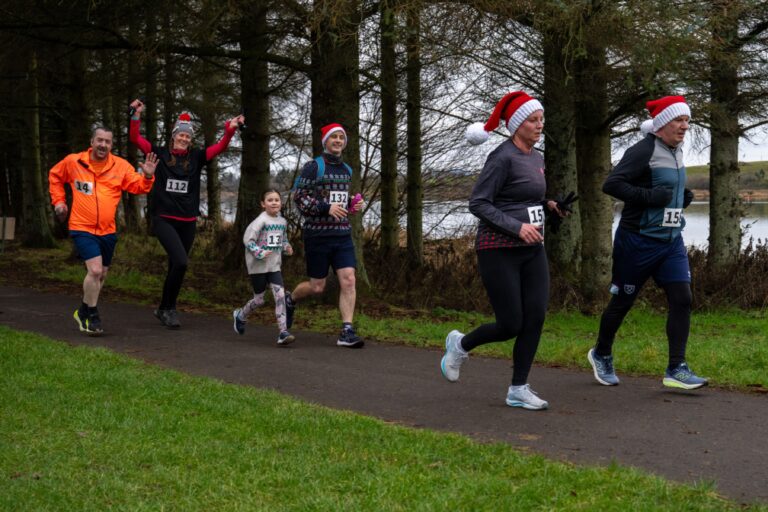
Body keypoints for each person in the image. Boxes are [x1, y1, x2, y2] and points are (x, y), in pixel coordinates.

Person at [441, 92, 569, 411]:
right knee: (511, 323)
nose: (539, 125)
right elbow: (479, 203)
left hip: (532, 248)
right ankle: (460, 344)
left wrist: (549, 206)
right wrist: (516, 227)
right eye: (532, 120)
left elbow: (523, 198)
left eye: (541, 119)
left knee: (536, 316)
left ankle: (518, 388)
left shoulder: (536, 157)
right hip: (498, 249)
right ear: (515, 125)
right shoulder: (502, 157)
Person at [587, 95, 707, 390]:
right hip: (637, 242)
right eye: (679, 120)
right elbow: (612, 184)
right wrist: (649, 198)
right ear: (663, 123)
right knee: (623, 302)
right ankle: (601, 353)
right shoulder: (642, 150)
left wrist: (683, 200)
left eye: (687, 120)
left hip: (670, 242)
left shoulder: (677, 151)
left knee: (682, 298)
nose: (684, 126)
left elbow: (663, 188)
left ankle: (676, 368)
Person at [128, 99, 244, 329]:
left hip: (188, 221)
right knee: (182, 262)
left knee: (175, 265)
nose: (184, 138)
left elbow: (219, 147)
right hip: (163, 219)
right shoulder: (158, 153)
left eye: (188, 136)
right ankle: (168, 309)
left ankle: (164, 308)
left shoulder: (197, 157)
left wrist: (229, 131)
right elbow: (135, 139)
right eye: (180, 135)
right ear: (173, 136)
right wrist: (135, 116)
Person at [48, 126, 157, 335]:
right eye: (99, 140)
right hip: (82, 226)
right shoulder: (74, 162)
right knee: (95, 271)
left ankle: (82, 311)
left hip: (107, 230)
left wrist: (148, 177)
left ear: (111, 145)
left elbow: (138, 187)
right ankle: (93, 314)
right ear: (91, 142)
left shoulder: (121, 166)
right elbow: (55, 176)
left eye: (107, 142)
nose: (103, 145)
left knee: (102, 275)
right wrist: (59, 202)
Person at [286, 123, 366, 348]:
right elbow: (299, 198)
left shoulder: (347, 170)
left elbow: (338, 202)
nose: (338, 141)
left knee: (349, 279)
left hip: (341, 235)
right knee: (317, 287)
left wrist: (352, 205)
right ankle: (290, 300)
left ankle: (346, 331)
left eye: (342, 137)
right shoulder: (314, 166)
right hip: (318, 236)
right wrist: (325, 207)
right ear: (326, 142)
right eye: (334, 137)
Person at [232, 189, 295, 344]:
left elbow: (282, 240)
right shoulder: (260, 221)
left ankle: (283, 332)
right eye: (270, 200)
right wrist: (259, 252)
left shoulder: (282, 222)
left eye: (277, 200)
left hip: (274, 266)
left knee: (280, 296)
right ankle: (240, 315)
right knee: (259, 300)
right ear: (263, 204)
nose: (274, 202)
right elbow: (248, 241)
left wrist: (286, 247)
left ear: (281, 203)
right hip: (258, 267)